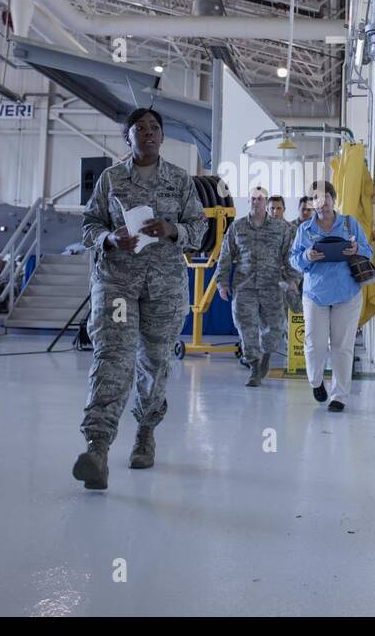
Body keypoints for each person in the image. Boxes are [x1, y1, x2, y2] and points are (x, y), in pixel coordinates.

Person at [72, 107, 207, 490]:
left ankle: (145, 431)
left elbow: (200, 228)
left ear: (162, 138)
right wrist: (110, 239)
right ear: (127, 138)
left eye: (154, 128)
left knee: (155, 363)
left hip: (164, 288)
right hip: (117, 283)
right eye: (139, 129)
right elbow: (89, 225)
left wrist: (172, 229)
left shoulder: (180, 181)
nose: (148, 133)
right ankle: (97, 448)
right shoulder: (111, 179)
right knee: (113, 357)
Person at [289, 179, 373, 412]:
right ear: (312, 203)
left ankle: (340, 396)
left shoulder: (349, 224)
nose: (322, 202)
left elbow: (368, 250)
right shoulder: (304, 230)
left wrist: (356, 249)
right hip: (315, 294)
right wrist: (307, 256)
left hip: (347, 293)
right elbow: (293, 260)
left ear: (334, 200)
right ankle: (316, 381)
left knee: (342, 346)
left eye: (327, 197)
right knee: (314, 344)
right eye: (317, 198)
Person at [216, 186, 295, 386]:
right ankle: (254, 364)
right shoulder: (237, 227)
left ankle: (266, 356)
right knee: (245, 326)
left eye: (260, 199)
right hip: (244, 286)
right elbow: (225, 255)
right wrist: (221, 282)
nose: (256, 202)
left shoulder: (281, 229)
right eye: (253, 198)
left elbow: (290, 256)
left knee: (275, 327)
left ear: (266, 202)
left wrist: (292, 280)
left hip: (272, 285)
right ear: (248, 201)